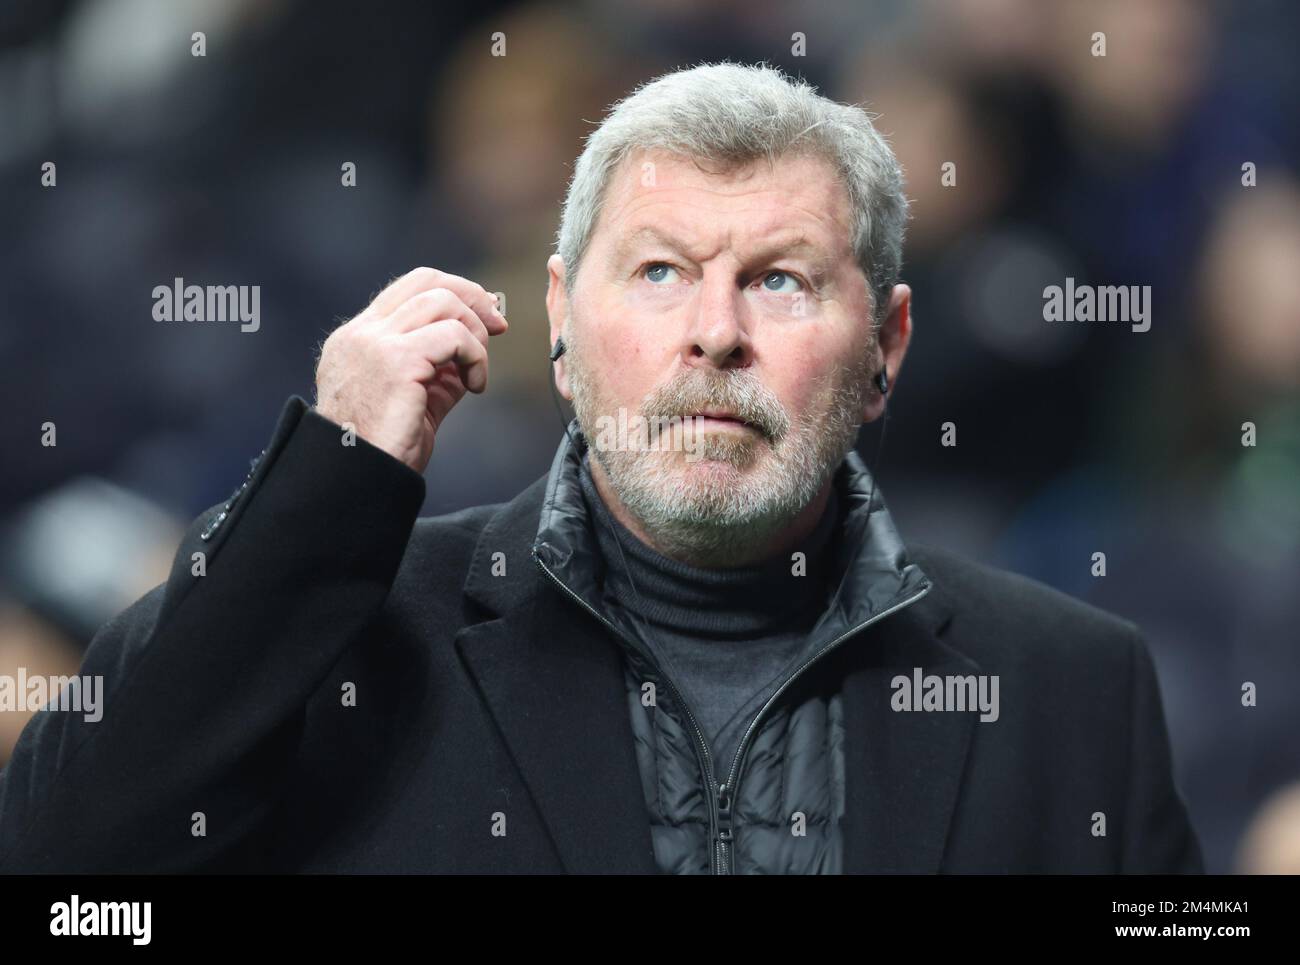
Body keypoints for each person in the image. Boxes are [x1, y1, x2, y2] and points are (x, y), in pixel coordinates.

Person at [0, 63, 1201, 874]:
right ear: (561, 327)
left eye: (779, 279)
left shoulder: (1070, 686)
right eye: (660, 271)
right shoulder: (345, 632)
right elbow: (64, 865)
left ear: (884, 349)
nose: (715, 332)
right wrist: (329, 478)